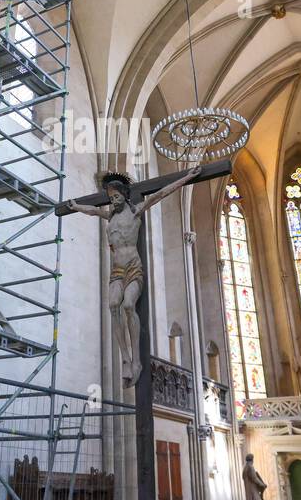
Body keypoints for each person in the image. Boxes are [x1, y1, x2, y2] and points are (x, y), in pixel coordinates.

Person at [66, 164, 202, 386]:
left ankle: (137, 360)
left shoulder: (137, 211)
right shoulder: (110, 216)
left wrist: (186, 178)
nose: (114, 200)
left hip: (133, 266)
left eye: (117, 196)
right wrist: (76, 206)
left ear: (124, 195)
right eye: (111, 197)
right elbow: (92, 211)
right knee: (113, 305)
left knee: (128, 305)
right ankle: (126, 358)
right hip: (117, 269)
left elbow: (160, 193)